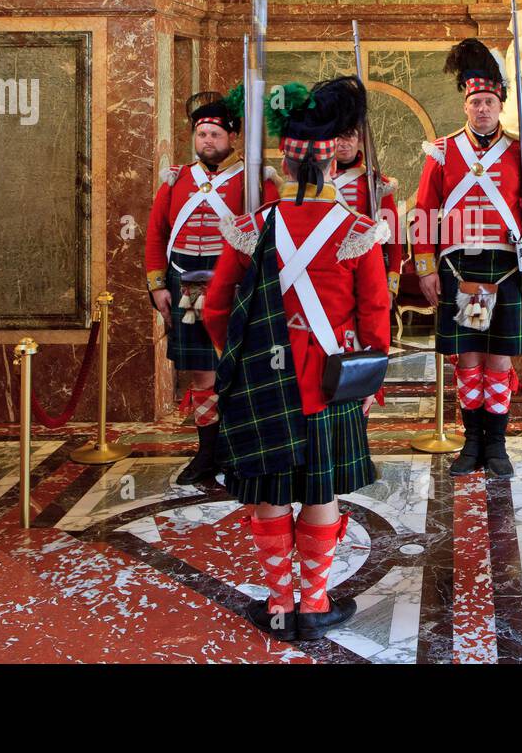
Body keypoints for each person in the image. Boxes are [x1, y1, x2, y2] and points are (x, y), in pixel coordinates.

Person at [202, 76, 390, 642]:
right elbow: (375, 319)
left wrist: (242, 360)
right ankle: (314, 604)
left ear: (286, 165)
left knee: (268, 488)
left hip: (262, 383)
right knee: (319, 490)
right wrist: (366, 387)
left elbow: (215, 310)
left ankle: (279, 603)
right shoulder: (357, 231)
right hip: (330, 384)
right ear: (332, 165)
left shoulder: (251, 227)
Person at [412, 38, 522, 478]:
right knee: (468, 361)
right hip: (459, 268)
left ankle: (497, 445)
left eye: (489, 102)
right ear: (466, 105)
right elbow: (424, 212)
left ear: (500, 105)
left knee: (499, 361)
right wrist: (425, 267)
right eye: (475, 102)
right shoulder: (441, 152)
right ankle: (471, 443)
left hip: (507, 269)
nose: (482, 109)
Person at [145, 87, 276, 485]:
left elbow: (271, 234)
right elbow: (155, 234)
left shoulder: (255, 180)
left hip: (232, 285)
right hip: (182, 285)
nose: (207, 141)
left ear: (232, 137)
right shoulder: (176, 179)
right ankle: (208, 451)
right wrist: (157, 284)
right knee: (201, 375)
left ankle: (238, 448)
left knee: (237, 372)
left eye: (215, 135)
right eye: (202, 134)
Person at [330, 126, 402, 297]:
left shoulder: (376, 184)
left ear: (360, 139)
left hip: (364, 269)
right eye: (337, 137)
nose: (343, 144)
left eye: (349, 136)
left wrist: (390, 286)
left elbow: (393, 238)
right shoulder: (316, 180)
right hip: (328, 271)